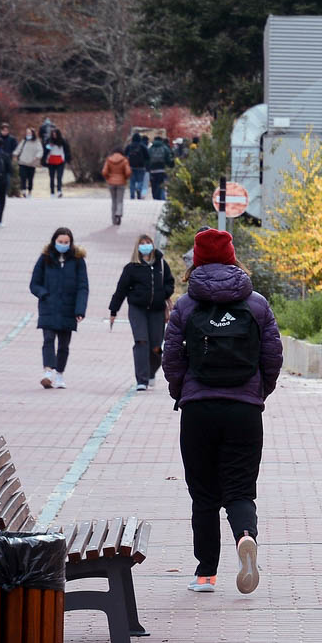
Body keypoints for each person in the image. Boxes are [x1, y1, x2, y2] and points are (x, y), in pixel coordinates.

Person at [163, 228, 282, 596]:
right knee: (241, 489)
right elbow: (273, 356)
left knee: (203, 493)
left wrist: (182, 391)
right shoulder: (256, 303)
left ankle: (205, 574)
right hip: (244, 410)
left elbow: (171, 357)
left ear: (195, 260)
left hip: (199, 410)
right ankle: (245, 537)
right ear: (232, 257)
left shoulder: (185, 305)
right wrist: (259, 391)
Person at [109, 234, 175, 391]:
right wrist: (113, 310)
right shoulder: (131, 267)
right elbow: (121, 290)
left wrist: (163, 294)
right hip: (137, 310)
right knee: (141, 342)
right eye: (142, 243)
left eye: (148, 243)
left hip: (157, 311)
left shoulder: (161, 264)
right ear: (137, 247)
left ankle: (152, 372)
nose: (145, 246)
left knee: (157, 347)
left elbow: (170, 283)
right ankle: (142, 379)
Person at [30, 227, 88, 388]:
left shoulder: (77, 260)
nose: (63, 245)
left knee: (64, 344)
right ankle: (48, 371)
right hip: (49, 306)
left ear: (71, 243)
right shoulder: (45, 258)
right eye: (60, 242)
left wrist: (80, 309)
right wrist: (44, 294)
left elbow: (83, 287)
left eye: (66, 242)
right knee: (48, 339)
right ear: (54, 241)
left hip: (68, 308)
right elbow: (34, 283)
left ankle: (60, 374)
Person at [101, 147, 131, 226]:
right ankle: (119, 212)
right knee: (119, 200)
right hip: (121, 182)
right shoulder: (124, 160)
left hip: (111, 182)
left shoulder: (109, 160)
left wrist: (108, 178)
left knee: (113, 201)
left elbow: (104, 171)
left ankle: (114, 220)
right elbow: (128, 172)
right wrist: (125, 177)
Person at [146, 134, 173, 200]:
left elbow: (147, 159)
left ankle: (155, 198)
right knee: (161, 184)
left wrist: (148, 168)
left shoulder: (150, 148)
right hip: (162, 170)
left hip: (153, 170)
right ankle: (161, 198)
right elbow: (169, 159)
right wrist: (170, 166)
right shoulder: (164, 148)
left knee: (154, 185)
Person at [42, 128, 68, 197]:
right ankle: (52, 192)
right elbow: (45, 151)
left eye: (55, 134)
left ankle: (59, 191)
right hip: (51, 161)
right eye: (53, 134)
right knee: (52, 177)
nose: (54, 135)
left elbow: (66, 151)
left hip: (60, 160)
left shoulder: (63, 141)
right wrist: (48, 147)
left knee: (59, 177)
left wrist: (67, 159)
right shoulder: (49, 141)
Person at [15, 128, 41, 196]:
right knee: (23, 176)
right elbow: (19, 148)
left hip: (32, 163)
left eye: (29, 133)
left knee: (30, 178)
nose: (28, 134)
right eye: (27, 133)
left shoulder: (36, 142)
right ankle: (23, 190)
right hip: (23, 161)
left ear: (33, 133)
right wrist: (15, 154)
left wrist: (37, 156)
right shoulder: (24, 141)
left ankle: (29, 191)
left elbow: (40, 150)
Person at [125, 134, 149, 200]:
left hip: (131, 166)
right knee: (141, 180)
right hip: (141, 167)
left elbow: (124, 154)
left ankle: (132, 195)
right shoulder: (142, 146)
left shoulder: (129, 146)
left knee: (132, 182)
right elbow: (148, 156)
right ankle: (139, 189)